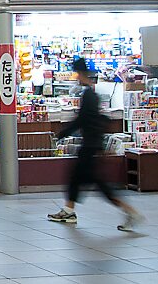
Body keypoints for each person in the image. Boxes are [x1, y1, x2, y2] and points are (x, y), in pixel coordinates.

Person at [47, 58, 142, 229]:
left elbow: (82, 120)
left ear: (80, 73)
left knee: (100, 186)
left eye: (75, 72)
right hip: (92, 144)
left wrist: (63, 133)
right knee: (76, 179)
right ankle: (68, 210)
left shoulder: (89, 95)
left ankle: (131, 213)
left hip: (90, 146)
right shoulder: (91, 93)